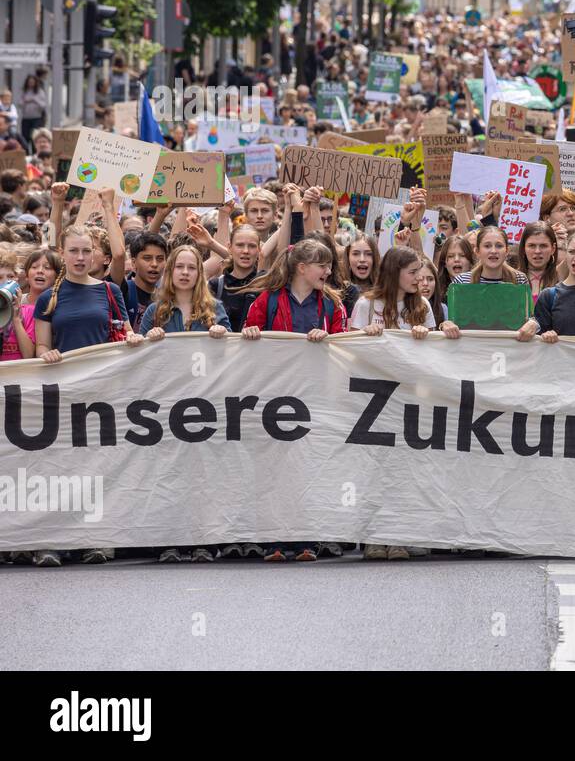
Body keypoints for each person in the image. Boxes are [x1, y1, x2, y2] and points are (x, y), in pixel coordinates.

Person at [31, 227, 137, 567]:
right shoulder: (49, 297)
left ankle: (96, 537)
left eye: (85, 251)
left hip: (104, 393)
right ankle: (52, 541)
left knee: (98, 465)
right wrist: (47, 355)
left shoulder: (110, 291)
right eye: (73, 251)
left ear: (95, 255)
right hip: (64, 393)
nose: (80, 257)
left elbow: (125, 331)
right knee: (60, 467)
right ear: (62, 254)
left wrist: (133, 339)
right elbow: (42, 345)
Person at [239, 239, 348, 562]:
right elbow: (247, 336)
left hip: (314, 397)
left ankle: (306, 539)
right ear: (302, 268)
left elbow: (345, 346)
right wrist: (250, 334)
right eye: (322, 265)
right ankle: (273, 540)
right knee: (274, 468)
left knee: (308, 467)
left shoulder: (331, 304)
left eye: (329, 265)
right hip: (275, 397)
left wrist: (328, 340)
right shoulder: (267, 300)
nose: (328, 271)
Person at [352, 246, 457, 561]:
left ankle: (398, 533)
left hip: (410, 397)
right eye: (412, 272)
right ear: (395, 271)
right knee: (374, 467)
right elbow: (348, 352)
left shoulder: (421, 305)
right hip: (374, 398)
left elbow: (433, 356)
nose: (418, 279)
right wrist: (364, 337)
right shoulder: (367, 304)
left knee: (405, 469)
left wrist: (431, 334)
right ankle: (371, 535)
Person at [134, 244, 231, 564]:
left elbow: (236, 358)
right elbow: (136, 356)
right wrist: (144, 341)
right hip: (167, 404)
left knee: (204, 474)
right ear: (170, 272)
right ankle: (169, 539)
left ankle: (202, 539)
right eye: (180, 267)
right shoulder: (155, 311)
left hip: (205, 405)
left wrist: (222, 336)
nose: (186, 273)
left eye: (192, 268)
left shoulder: (214, 308)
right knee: (169, 473)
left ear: (199, 273)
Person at [518, 221, 560, 302]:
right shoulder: (512, 277)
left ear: (553, 249)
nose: (537, 251)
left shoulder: (560, 274)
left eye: (543, 246)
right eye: (532, 246)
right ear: (523, 248)